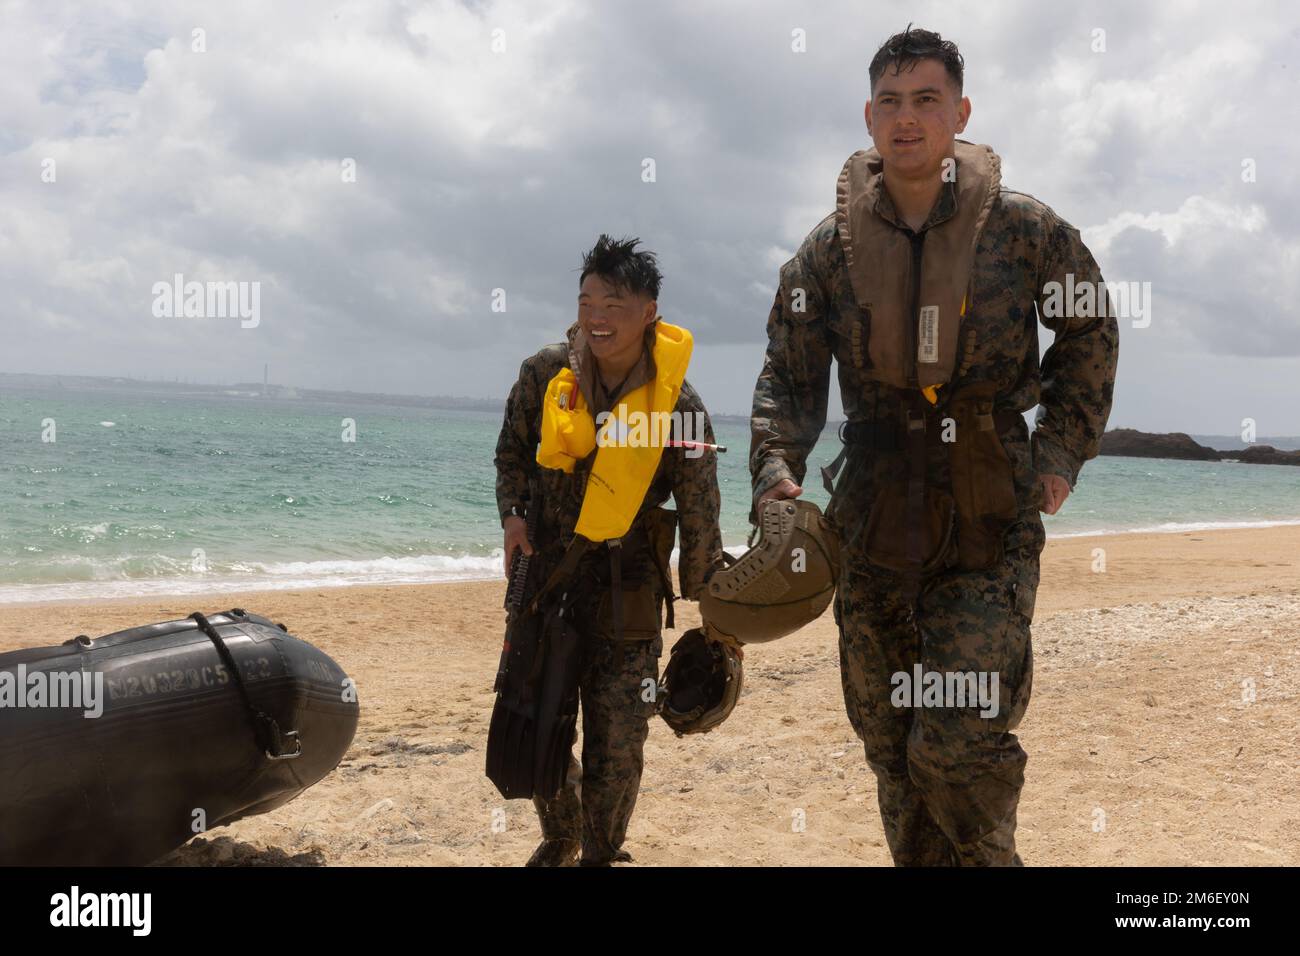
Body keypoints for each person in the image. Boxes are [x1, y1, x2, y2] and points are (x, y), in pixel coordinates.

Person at [749, 26, 1119, 865]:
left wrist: (1061, 450)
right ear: (868, 116)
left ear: (961, 111)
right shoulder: (827, 251)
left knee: (955, 740)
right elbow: (788, 374)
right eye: (890, 101)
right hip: (869, 519)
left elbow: (1089, 326)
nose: (906, 118)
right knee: (889, 745)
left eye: (925, 100)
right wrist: (776, 472)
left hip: (988, 515)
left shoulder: (1023, 230)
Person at [494, 234, 725, 866]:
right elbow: (512, 453)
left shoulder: (677, 402)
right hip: (546, 581)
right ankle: (561, 832)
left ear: (649, 310)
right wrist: (514, 518)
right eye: (587, 300)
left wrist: (715, 610)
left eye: (613, 303)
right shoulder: (546, 374)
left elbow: (701, 501)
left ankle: (601, 850)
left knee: (619, 737)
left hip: (630, 590)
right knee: (540, 720)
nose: (596, 316)